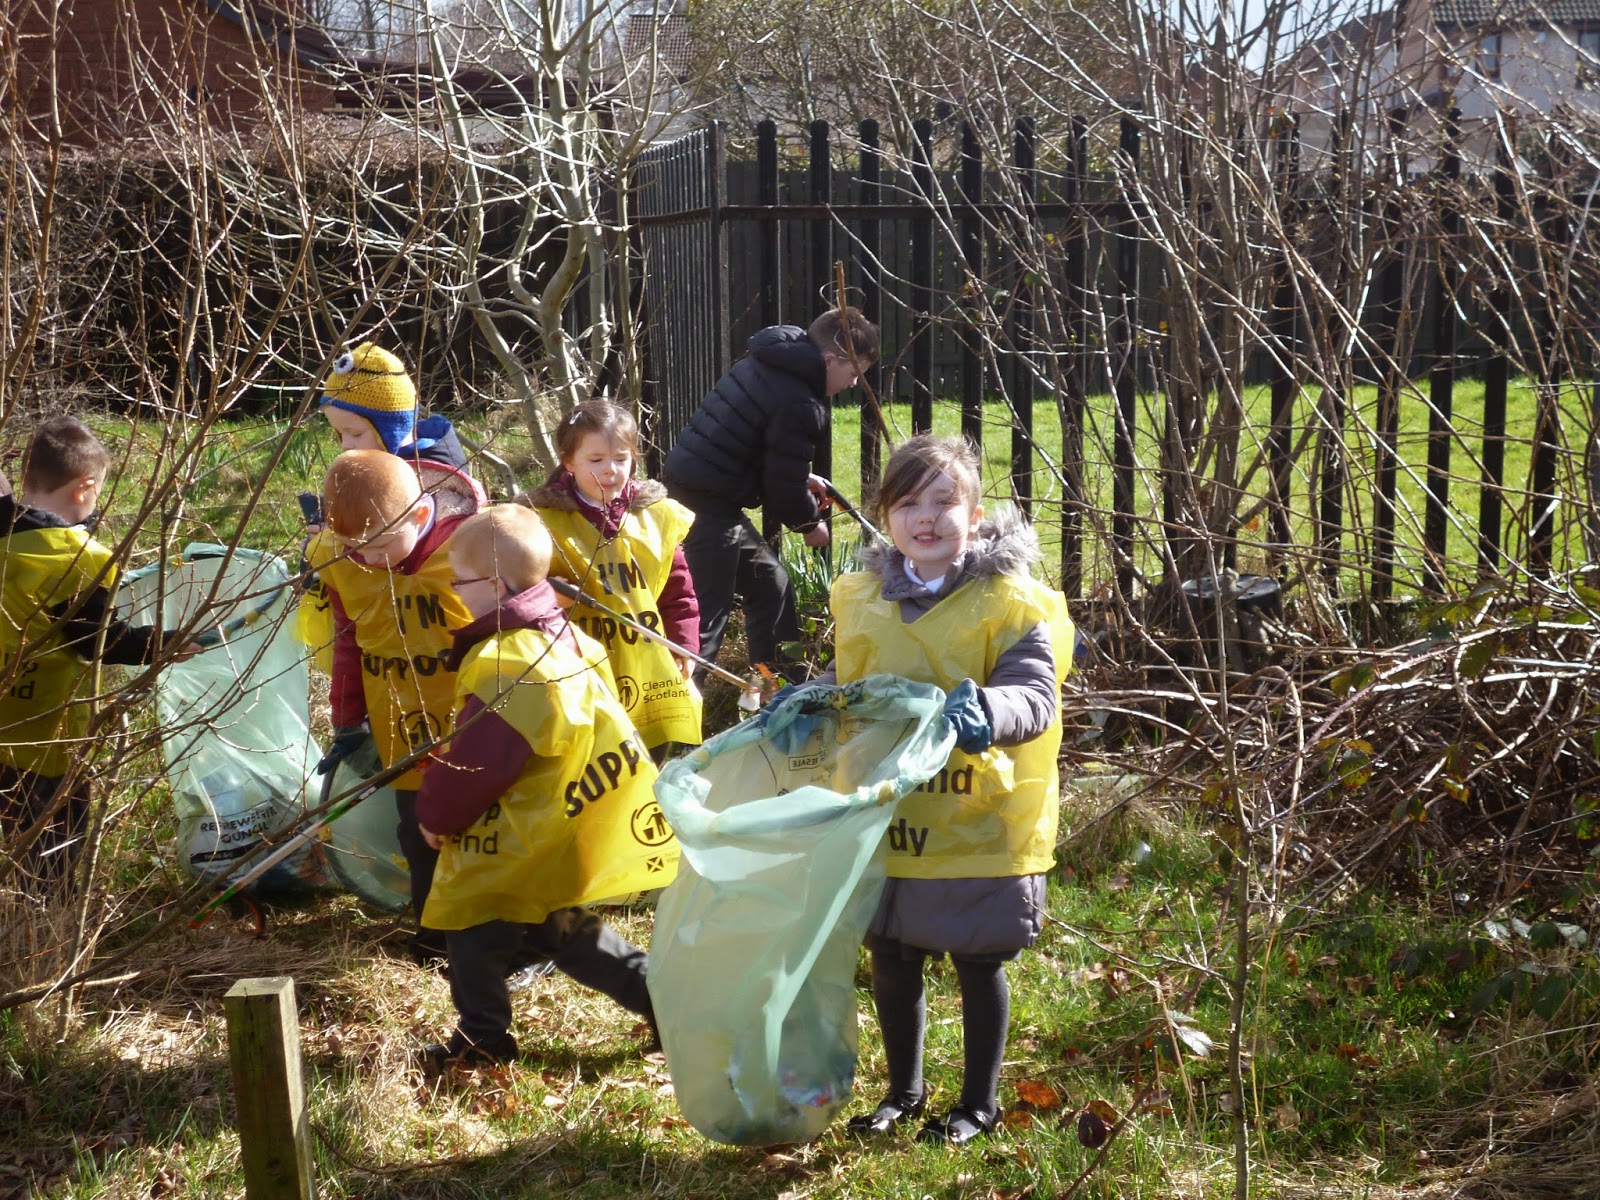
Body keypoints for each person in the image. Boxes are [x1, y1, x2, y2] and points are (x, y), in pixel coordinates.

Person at [797, 434, 1072, 1147]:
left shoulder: (1011, 604)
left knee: (977, 960)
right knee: (893, 956)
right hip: (892, 816)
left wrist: (990, 712)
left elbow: (1033, 695)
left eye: (945, 502)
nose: (927, 518)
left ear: (975, 515)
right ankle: (904, 1091)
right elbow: (850, 677)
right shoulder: (864, 600)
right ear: (885, 518)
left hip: (978, 817)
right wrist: (810, 702)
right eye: (908, 503)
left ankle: (977, 1102)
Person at [415, 505, 671, 1068]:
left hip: (512, 839)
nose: (455, 594)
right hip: (557, 825)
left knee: (470, 927)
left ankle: (483, 1040)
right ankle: (670, 1002)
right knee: (565, 933)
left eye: (460, 582)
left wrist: (436, 811)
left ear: (495, 583)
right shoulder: (565, 638)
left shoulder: (510, 666)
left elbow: (481, 764)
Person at [0, 416, 200, 891]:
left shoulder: (5, 538)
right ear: (85, 487)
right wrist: (162, 644)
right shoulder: (81, 560)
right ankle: (45, 931)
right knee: (51, 851)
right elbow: (97, 639)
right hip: (44, 739)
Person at [310, 449, 474, 965]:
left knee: (478, 826)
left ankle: (498, 934)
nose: (368, 559)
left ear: (422, 516)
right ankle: (433, 933)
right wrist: (346, 721)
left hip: (470, 722)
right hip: (399, 720)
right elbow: (348, 642)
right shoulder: (345, 563)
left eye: (380, 545)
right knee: (415, 827)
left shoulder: (471, 553)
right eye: (354, 548)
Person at [663, 306, 878, 685]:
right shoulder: (800, 401)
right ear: (830, 360)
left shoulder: (775, 358)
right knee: (708, 619)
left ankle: (778, 690)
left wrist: (800, 475)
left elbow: (754, 442)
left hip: (703, 491)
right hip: (708, 507)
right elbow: (781, 486)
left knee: (770, 585)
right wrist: (809, 524)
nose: (853, 383)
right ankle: (678, 720)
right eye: (854, 372)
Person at [526, 399, 701, 763]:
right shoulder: (539, 520)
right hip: (580, 668)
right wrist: (546, 594)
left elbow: (678, 588)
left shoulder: (654, 515)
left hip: (647, 670)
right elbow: (515, 589)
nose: (611, 470)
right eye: (596, 460)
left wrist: (684, 643)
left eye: (622, 459)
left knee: (651, 762)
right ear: (568, 461)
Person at [296, 343, 485, 671]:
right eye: (339, 434)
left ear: (392, 429)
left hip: (439, 644)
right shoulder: (367, 470)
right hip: (386, 650)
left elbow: (405, 555)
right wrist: (332, 537)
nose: (345, 445)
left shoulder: (433, 486)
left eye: (355, 433)